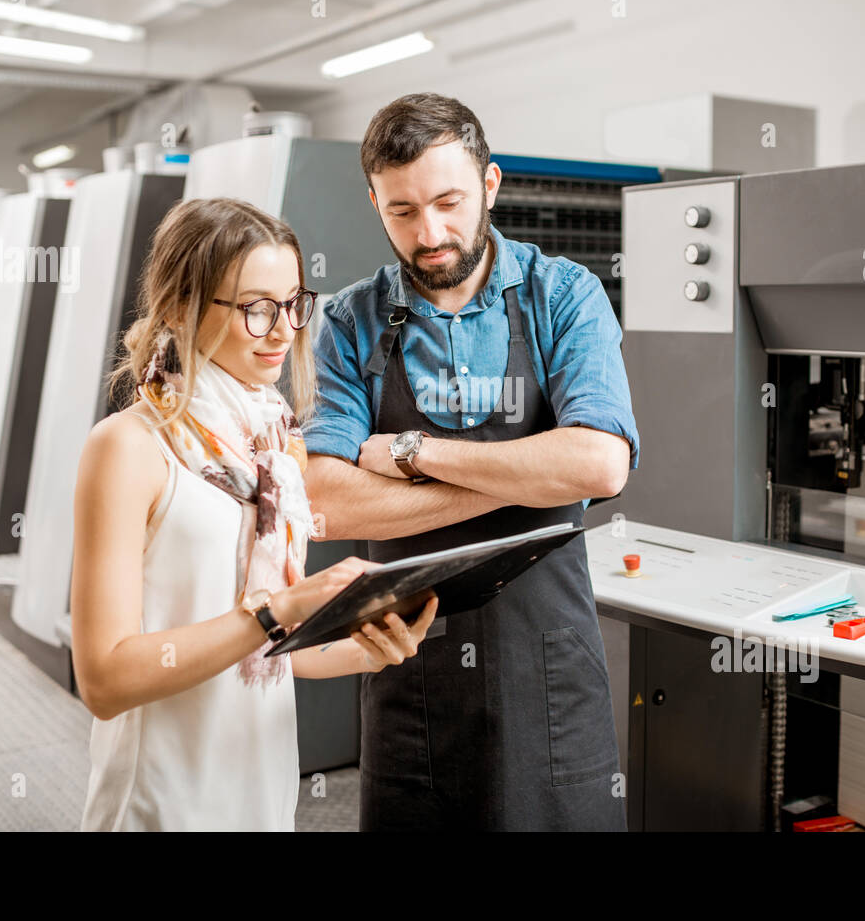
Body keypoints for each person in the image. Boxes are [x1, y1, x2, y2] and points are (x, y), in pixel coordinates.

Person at [302, 93, 639, 830]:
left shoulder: (566, 297)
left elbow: (600, 464)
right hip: (409, 672)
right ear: (373, 203)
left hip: (548, 674)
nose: (430, 233)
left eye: (449, 202)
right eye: (401, 212)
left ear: (490, 183)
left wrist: (415, 453)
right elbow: (326, 499)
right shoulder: (349, 323)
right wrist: (533, 489)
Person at [70, 197, 438, 831]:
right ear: (183, 306)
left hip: (261, 789)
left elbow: (270, 656)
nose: (283, 329)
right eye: (255, 308)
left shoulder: (276, 447)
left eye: (294, 303)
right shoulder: (129, 447)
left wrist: (366, 649)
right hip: (163, 799)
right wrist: (274, 613)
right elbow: (104, 680)